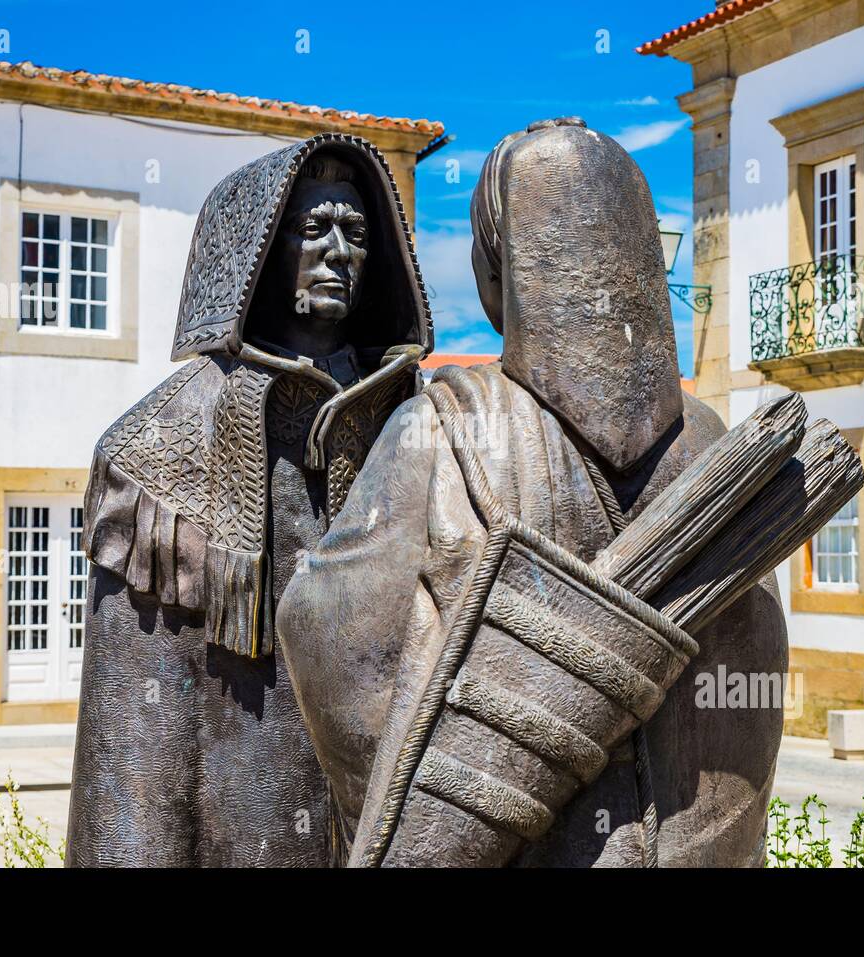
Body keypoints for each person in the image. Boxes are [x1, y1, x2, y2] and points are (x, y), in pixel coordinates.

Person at [276, 119, 788, 867]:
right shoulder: (714, 443)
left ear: (502, 272)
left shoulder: (444, 432)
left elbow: (327, 640)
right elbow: (757, 667)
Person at [66, 134, 430, 866]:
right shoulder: (154, 450)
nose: (337, 251)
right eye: (312, 228)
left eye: (355, 233)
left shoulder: (419, 427)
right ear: (258, 251)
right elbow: (132, 759)